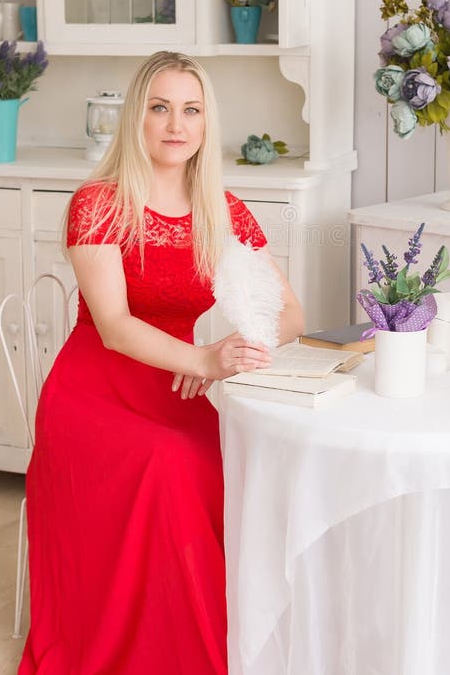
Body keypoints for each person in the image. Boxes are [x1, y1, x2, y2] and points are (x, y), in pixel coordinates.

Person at [18, 51, 304, 674]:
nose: (177, 124)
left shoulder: (224, 210)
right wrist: (201, 358)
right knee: (171, 466)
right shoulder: (98, 202)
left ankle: (226, 637)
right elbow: (115, 326)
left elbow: (290, 315)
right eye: (160, 108)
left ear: (206, 123)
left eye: (191, 110)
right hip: (94, 393)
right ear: (136, 117)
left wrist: (235, 351)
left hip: (176, 386)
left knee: (237, 462)